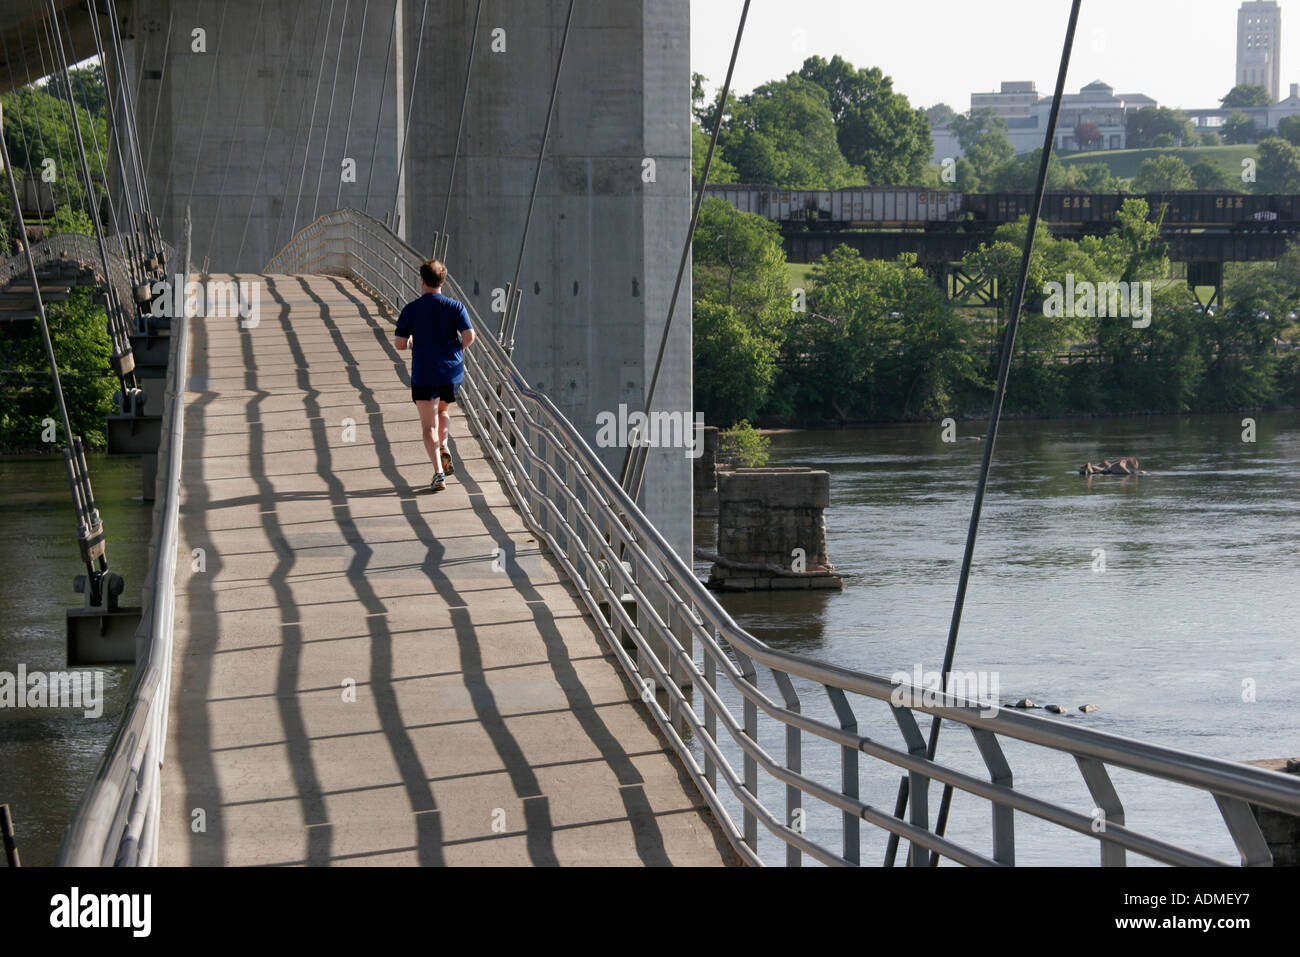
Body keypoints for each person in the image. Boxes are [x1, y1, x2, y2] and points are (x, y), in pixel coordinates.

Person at [394, 259, 475, 491]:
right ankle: (445, 443)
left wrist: (410, 340)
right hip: (451, 372)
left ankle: (439, 473)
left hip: (425, 372)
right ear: (443, 281)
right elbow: (469, 336)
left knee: (428, 426)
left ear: (422, 281)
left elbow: (400, 344)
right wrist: (456, 351)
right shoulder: (455, 307)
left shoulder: (411, 309)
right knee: (444, 411)